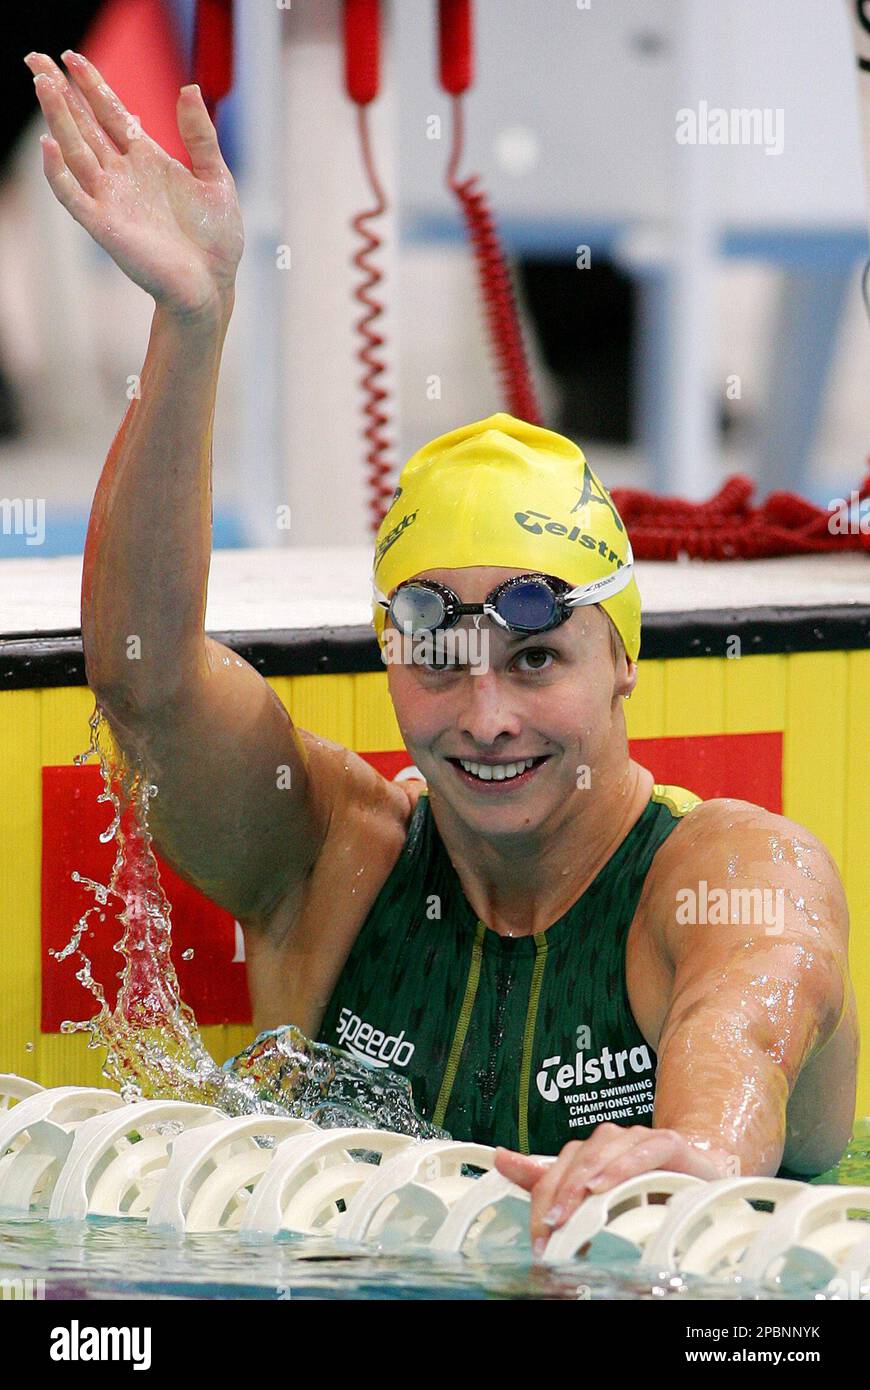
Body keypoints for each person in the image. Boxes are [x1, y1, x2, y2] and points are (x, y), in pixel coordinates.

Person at [27, 49, 858, 1258]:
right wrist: (191, 324)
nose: (484, 713)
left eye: (534, 661)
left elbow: (752, 1011)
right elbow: (142, 675)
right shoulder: (329, 864)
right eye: (439, 655)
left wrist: (702, 1155)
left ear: (621, 659)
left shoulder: (725, 872)